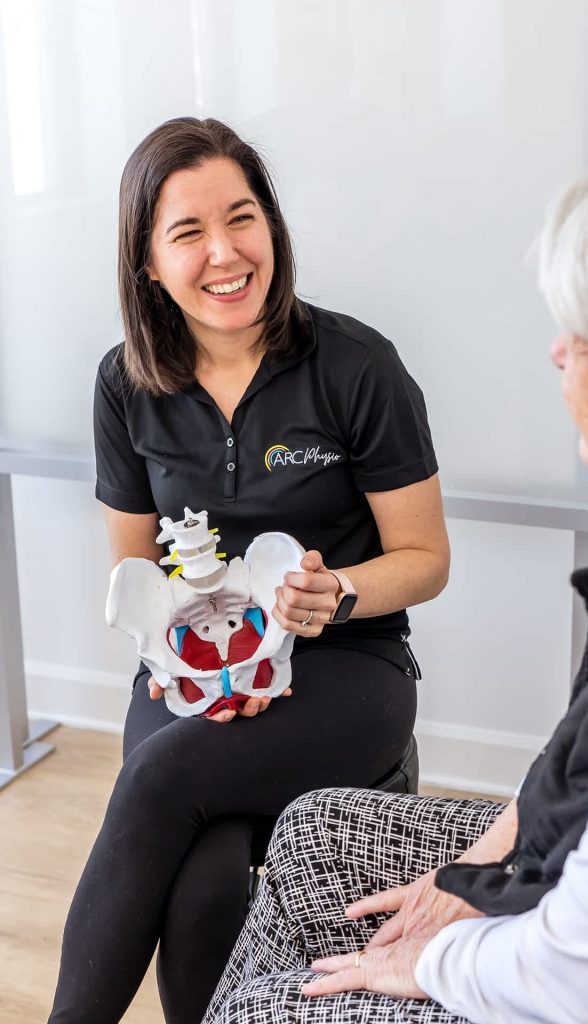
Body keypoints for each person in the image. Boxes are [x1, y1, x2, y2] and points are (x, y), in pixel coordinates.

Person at [202, 140, 588, 1024]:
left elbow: (586, 980)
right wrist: (481, 867)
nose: (558, 353)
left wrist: (441, 955)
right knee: (316, 829)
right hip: (569, 879)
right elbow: (584, 745)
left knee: (279, 1006)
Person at [48, 117, 450, 1024]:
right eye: (187, 233)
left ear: (273, 226)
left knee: (155, 785)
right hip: (188, 666)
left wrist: (336, 591)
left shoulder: (357, 366)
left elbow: (426, 561)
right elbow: (133, 571)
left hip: (346, 666)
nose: (225, 253)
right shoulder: (126, 384)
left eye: (243, 218)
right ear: (148, 262)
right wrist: (201, 666)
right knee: (201, 878)